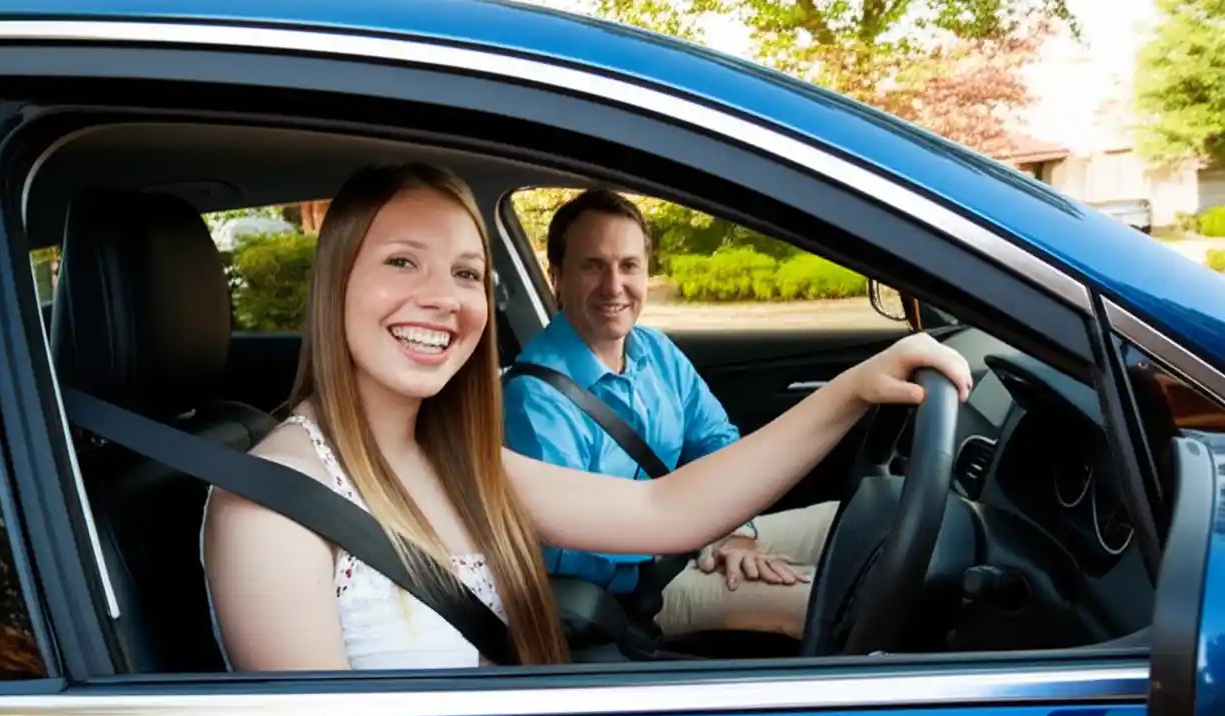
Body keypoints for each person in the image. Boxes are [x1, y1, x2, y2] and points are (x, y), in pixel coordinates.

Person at [200, 162, 971, 672]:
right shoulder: (271, 507)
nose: (442, 296)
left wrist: (851, 391)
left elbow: (663, 508)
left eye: (467, 273)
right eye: (402, 261)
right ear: (336, 281)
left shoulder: (452, 454)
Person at [502, 189, 838, 641]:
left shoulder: (657, 352)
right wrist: (695, 533)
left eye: (628, 266)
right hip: (632, 591)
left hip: (697, 537)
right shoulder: (535, 398)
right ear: (557, 276)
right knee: (826, 603)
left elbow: (718, 442)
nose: (614, 286)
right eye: (593, 266)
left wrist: (735, 532)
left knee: (853, 529)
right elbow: (561, 549)